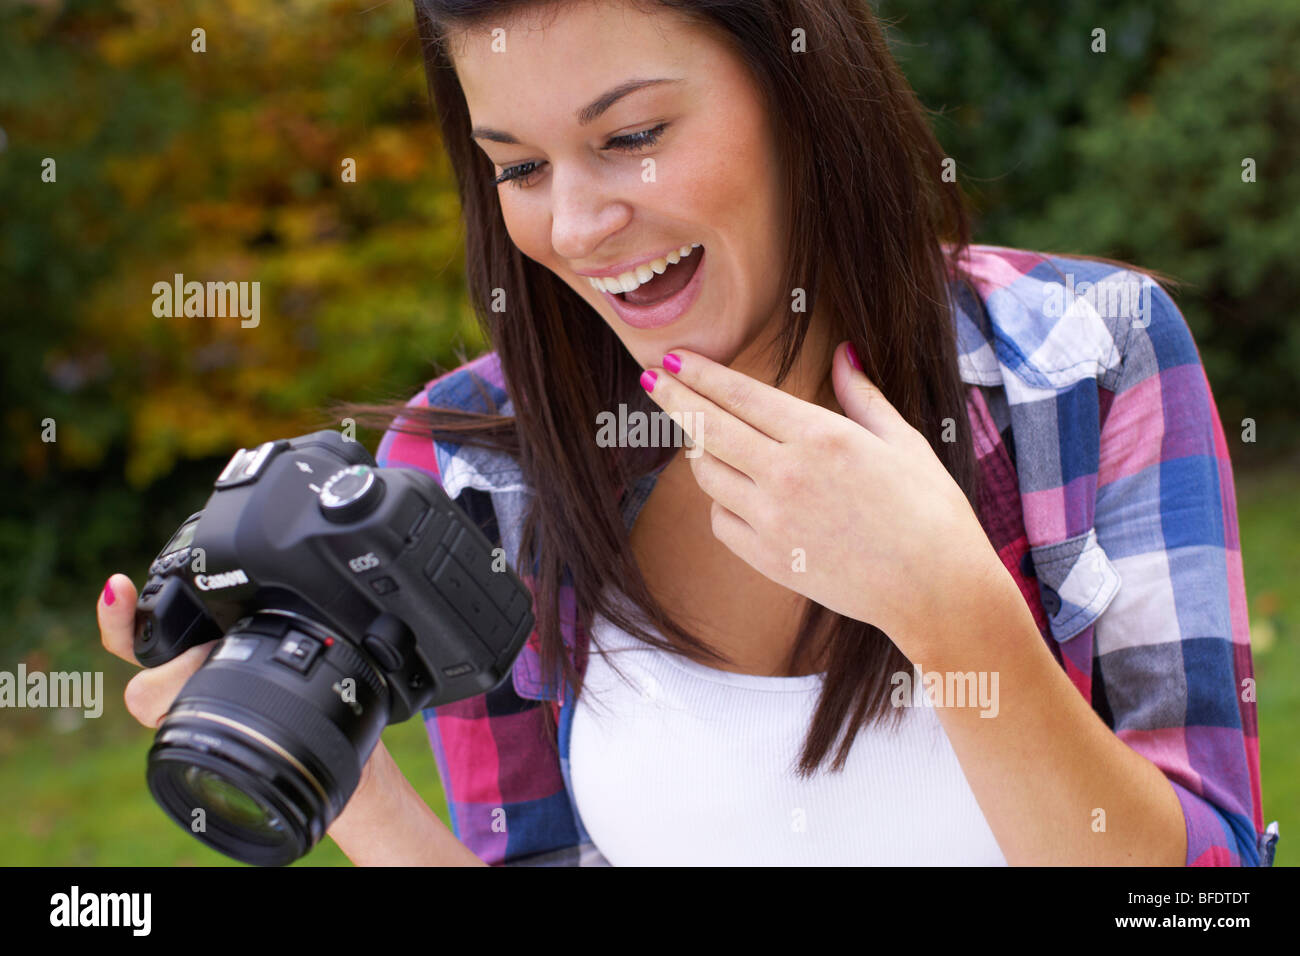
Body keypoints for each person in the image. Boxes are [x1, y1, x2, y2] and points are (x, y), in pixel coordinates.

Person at [97, 0, 1275, 866]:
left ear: (799, 88)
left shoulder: (1086, 358)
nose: (575, 223)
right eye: (516, 165)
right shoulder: (471, 471)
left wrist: (947, 608)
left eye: (632, 135)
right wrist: (338, 766)